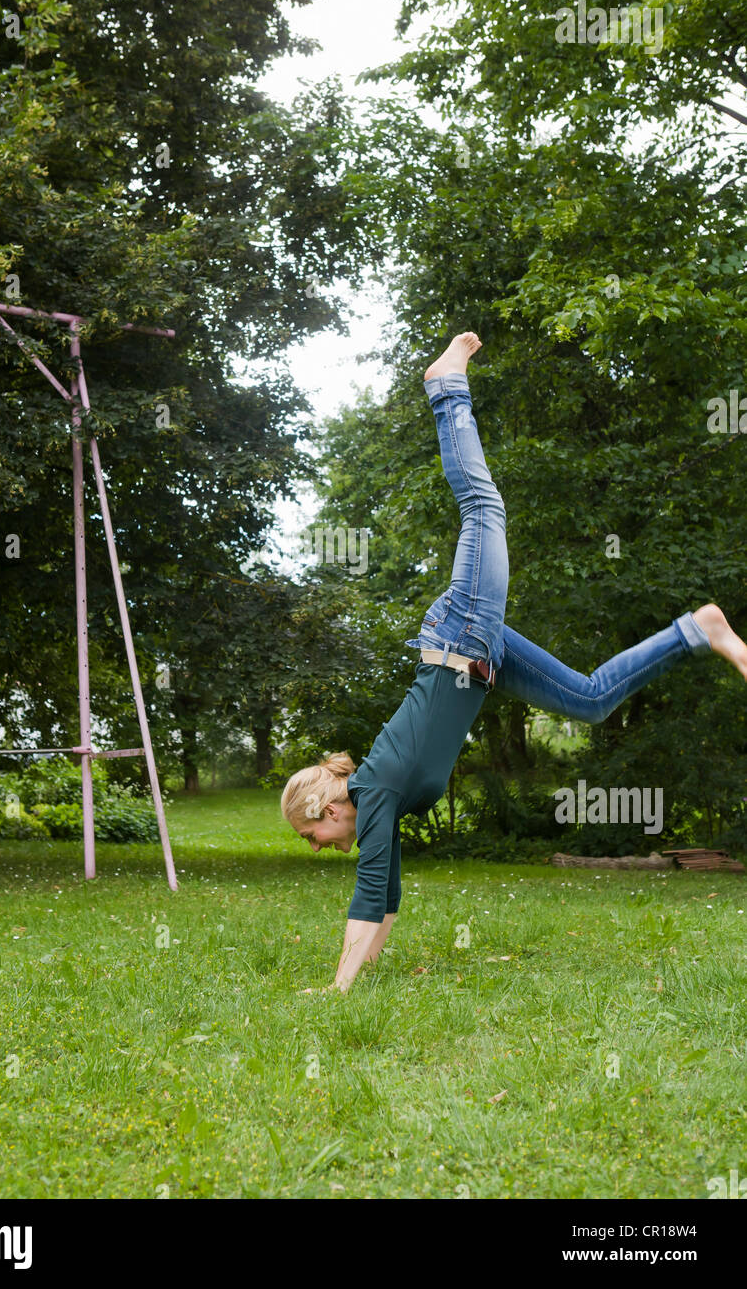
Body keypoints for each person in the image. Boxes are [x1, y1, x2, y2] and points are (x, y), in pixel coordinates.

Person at [281, 332, 747, 994]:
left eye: (309, 838)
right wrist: (363, 970)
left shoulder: (376, 793)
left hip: (461, 635)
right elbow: (385, 895)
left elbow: (365, 895)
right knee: (588, 701)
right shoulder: (380, 802)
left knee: (482, 505)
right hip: (480, 653)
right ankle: (696, 629)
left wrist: (338, 987)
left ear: (324, 814)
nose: (317, 848)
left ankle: (445, 387)